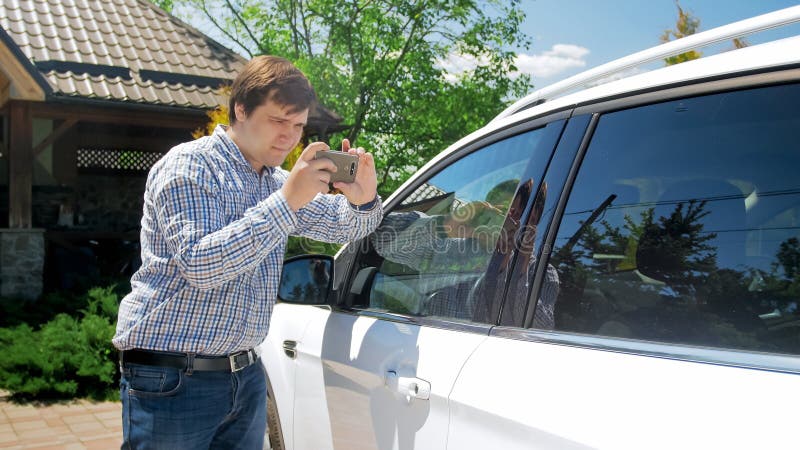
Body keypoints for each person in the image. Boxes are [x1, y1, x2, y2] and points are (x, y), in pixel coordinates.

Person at [112, 55, 382, 449]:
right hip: (171, 379)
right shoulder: (188, 166)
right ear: (241, 109)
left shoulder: (277, 181)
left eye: (299, 126)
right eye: (278, 121)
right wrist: (287, 203)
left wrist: (364, 199)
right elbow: (200, 264)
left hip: (247, 374)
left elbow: (348, 225)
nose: (290, 136)